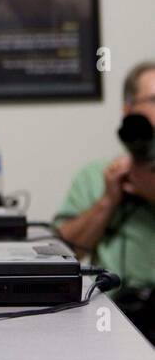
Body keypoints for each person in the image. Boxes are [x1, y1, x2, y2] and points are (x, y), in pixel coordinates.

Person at [56, 61, 155, 339]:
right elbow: (63, 255)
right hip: (115, 316)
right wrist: (107, 201)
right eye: (154, 100)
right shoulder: (95, 175)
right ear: (128, 109)